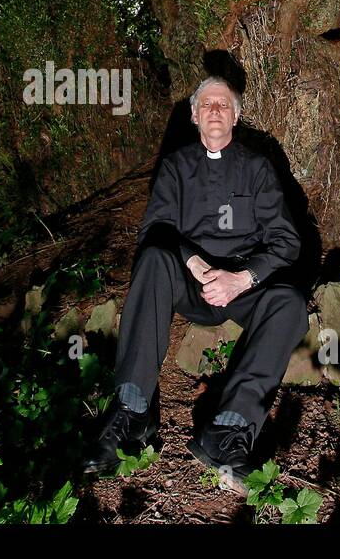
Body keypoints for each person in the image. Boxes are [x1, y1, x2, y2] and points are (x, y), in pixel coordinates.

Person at [79, 76, 308, 493]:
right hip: (191, 281)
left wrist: (243, 277)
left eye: (224, 104)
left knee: (290, 303)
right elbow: (155, 229)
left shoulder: (257, 167)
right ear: (194, 116)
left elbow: (287, 241)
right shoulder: (176, 166)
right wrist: (194, 261)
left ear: (236, 116)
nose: (216, 110)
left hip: (242, 286)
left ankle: (228, 429)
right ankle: (132, 411)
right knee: (152, 258)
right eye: (207, 105)